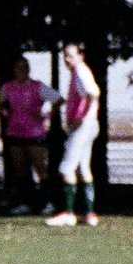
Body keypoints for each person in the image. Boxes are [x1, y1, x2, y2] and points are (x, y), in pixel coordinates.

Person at [46, 41, 101, 228]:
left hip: (83, 127)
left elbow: (94, 93)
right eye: (65, 56)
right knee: (83, 168)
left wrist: (83, 117)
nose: (67, 60)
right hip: (89, 125)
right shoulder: (79, 72)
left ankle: (69, 214)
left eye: (70, 55)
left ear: (80, 55)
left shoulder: (81, 72)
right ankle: (89, 214)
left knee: (66, 168)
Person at [0, 55, 58, 216]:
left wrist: (46, 116)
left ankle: (48, 202)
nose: (21, 71)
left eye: (24, 67)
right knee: (21, 170)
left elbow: (58, 99)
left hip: (34, 133)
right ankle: (25, 202)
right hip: (15, 132)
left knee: (40, 168)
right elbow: (3, 104)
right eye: (18, 67)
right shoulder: (7, 87)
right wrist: (6, 113)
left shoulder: (38, 87)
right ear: (14, 70)